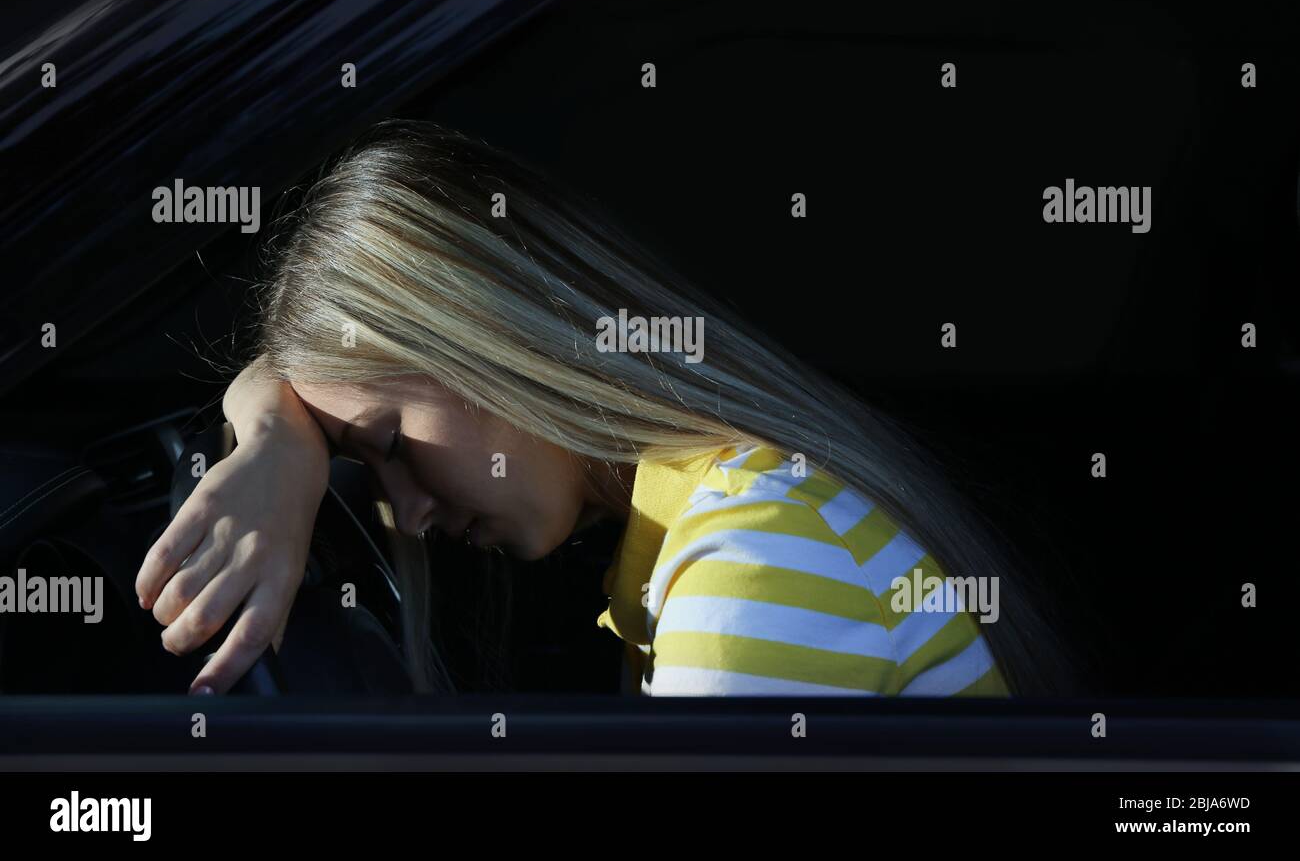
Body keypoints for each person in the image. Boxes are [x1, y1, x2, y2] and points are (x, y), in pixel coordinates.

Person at [135, 119, 1073, 697]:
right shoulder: (748, 510)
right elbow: (300, 369)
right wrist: (274, 437)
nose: (408, 513)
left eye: (388, 445)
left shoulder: (752, 563)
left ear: (492, 340)